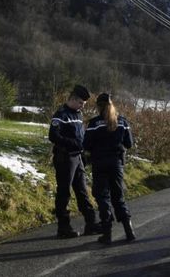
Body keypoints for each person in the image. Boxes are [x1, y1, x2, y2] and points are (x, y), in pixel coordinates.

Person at [48, 84, 103, 238]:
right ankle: (63, 227)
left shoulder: (78, 114)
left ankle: (91, 223)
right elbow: (53, 136)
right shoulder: (61, 114)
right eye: (80, 103)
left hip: (77, 158)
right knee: (64, 192)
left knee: (82, 191)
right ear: (72, 99)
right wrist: (73, 143)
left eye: (83, 104)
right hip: (65, 157)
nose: (82, 106)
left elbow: (81, 136)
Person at [83, 92, 135, 244]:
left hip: (99, 163)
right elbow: (129, 143)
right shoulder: (122, 121)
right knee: (118, 197)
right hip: (116, 163)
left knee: (102, 197)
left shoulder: (94, 123)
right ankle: (129, 231)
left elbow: (86, 145)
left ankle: (107, 234)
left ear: (98, 106)